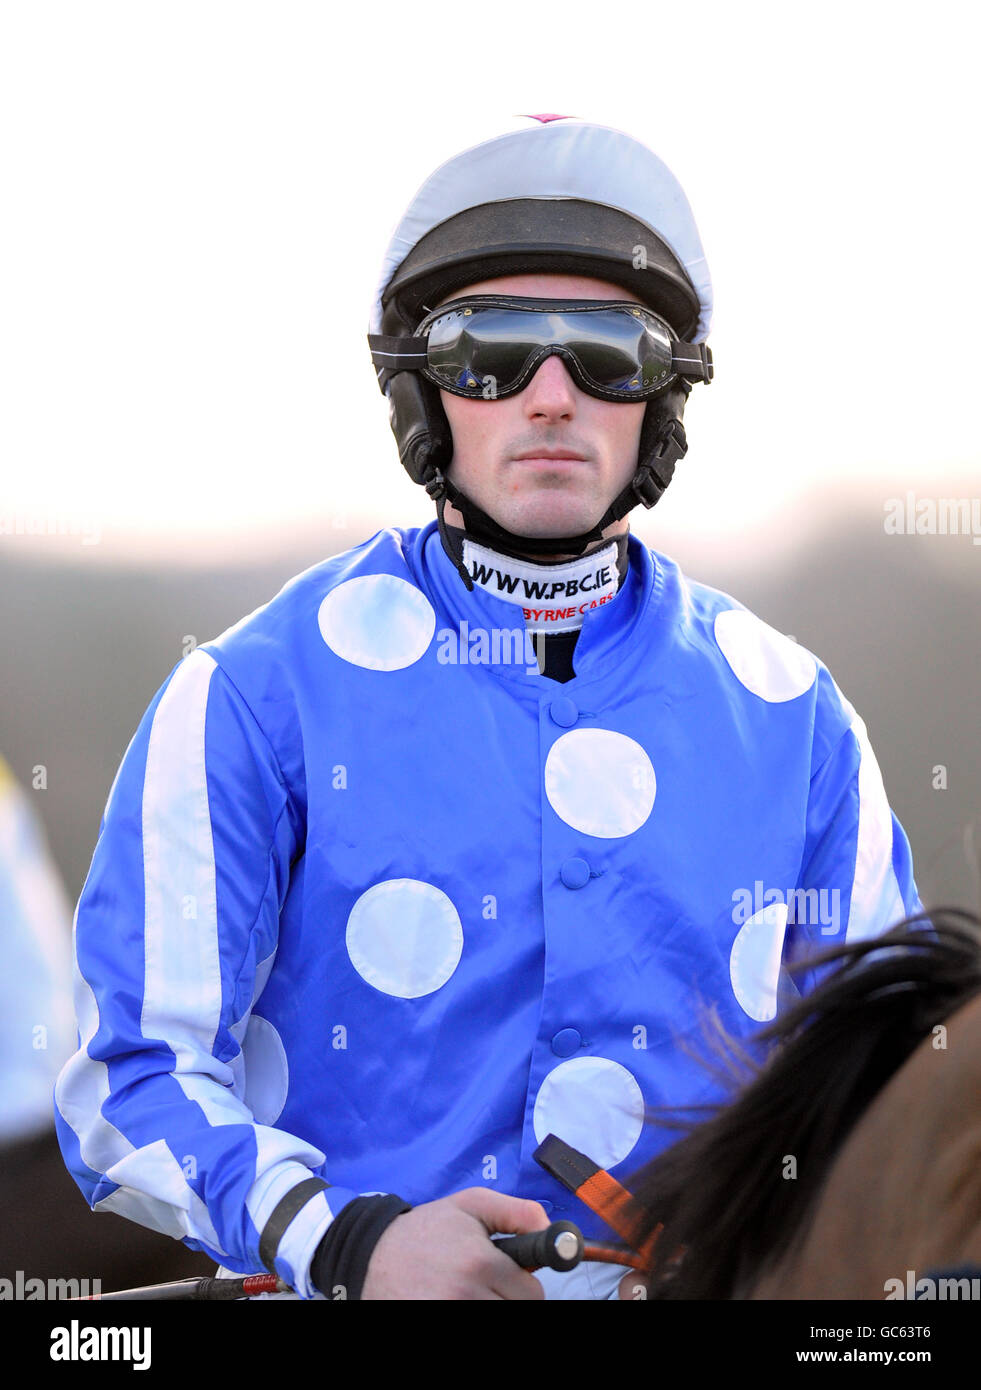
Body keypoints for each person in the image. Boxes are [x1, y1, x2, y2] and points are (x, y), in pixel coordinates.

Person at [55, 116, 920, 1301]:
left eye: (608, 352)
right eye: (492, 347)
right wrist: (350, 1241)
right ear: (425, 393)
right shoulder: (247, 697)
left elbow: (888, 1114)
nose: (552, 396)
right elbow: (129, 1078)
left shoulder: (803, 725)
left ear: (663, 397)